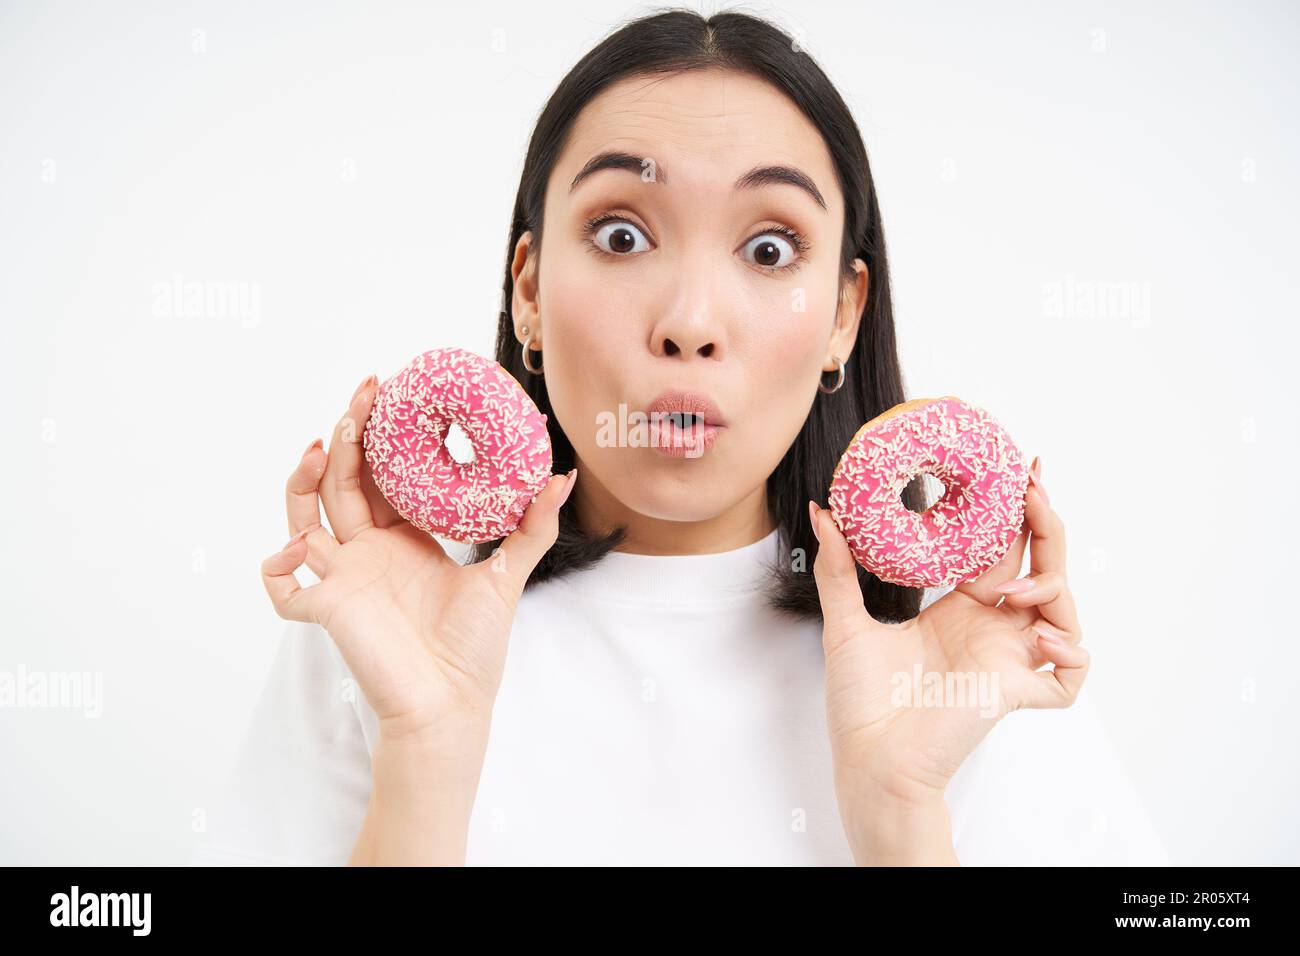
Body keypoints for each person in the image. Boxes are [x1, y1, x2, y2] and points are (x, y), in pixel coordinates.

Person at [195, 9, 1168, 866]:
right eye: (621, 234)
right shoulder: (394, 621)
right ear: (527, 290)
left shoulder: (951, 649)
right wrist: (425, 747)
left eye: (768, 247)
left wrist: (901, 812)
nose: (691, 320)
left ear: (842, 313)